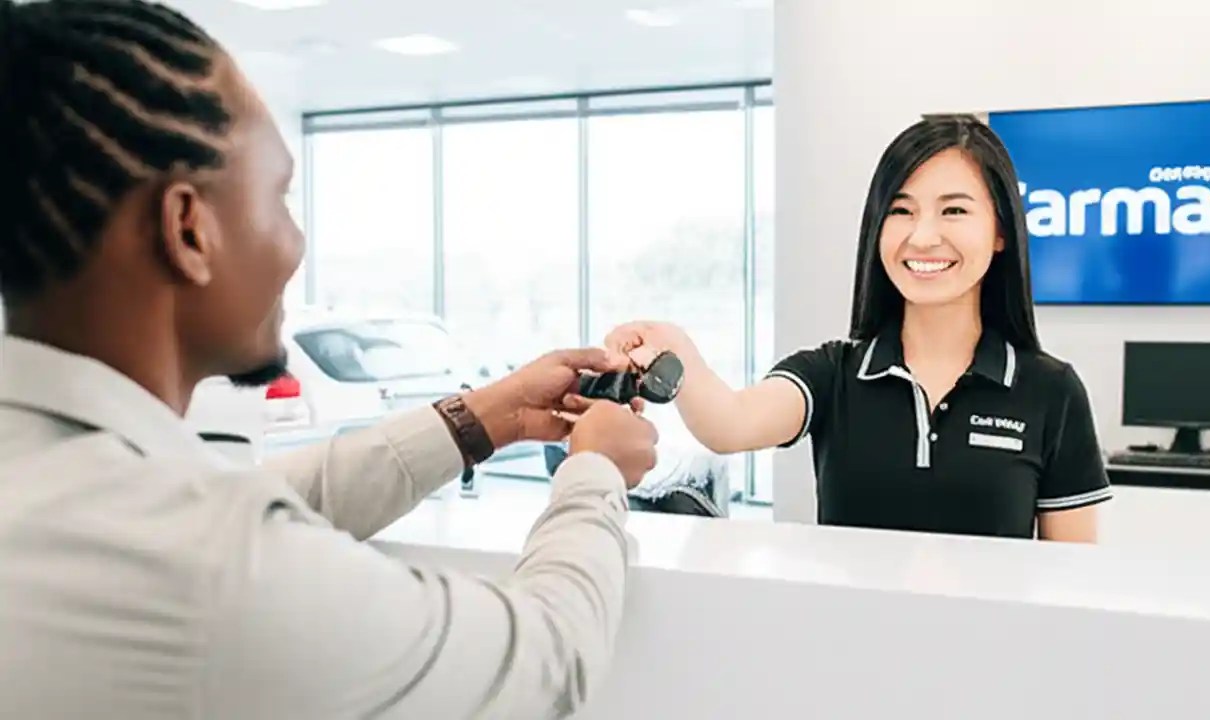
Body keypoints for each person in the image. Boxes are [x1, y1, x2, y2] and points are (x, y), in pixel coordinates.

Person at [0, 1, 657, 718]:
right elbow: (545, 667)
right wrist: (596, 475)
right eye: (278, 197)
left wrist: (483, 418)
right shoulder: (205, 560)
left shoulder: (71, 483)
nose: (297, 244)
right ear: (188, 228)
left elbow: (253, 489)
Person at [602, 115, 1112, 542]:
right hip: (846, 656)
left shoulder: (1051, 391)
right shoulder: (834, 374)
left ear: (1000, 231)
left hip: (993, 659)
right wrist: (678, 350)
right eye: (901, 211)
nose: (923, 235)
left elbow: (1068, 580)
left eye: (954, 210)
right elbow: (729, 423)